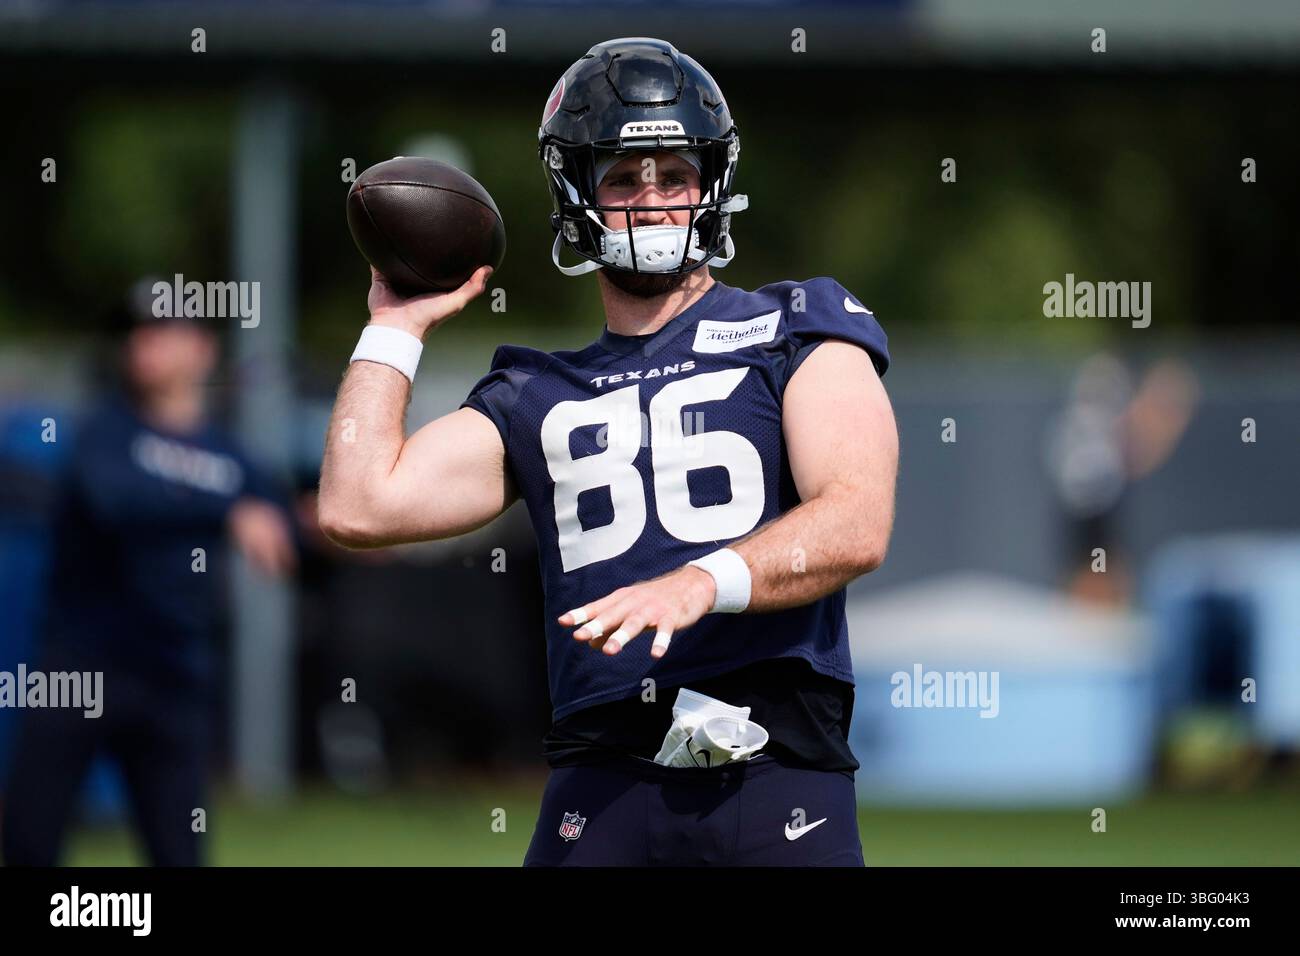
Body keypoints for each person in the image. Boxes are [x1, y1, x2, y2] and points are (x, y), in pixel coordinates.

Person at [318, 37, 898, 865]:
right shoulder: (536, 390)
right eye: (622, 177)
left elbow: (856, 521)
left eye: (674, 172)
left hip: (772, 770)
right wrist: (391, 331)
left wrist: (701, 582)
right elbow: (356, 504)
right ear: (576, 194)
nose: (653, 198)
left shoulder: (796, 325)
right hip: (602, 781)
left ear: (712, 181)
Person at [1, 280, 296, 866]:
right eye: (137, 333)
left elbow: (285, 528)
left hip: (174, 674)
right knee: (30, 841)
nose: (144, 345)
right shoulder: (104, 433)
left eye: (163, 331)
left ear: (202, 348)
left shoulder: (232, 455)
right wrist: (226, 508)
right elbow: (117, 500)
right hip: (80, 671)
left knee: (177, 848)